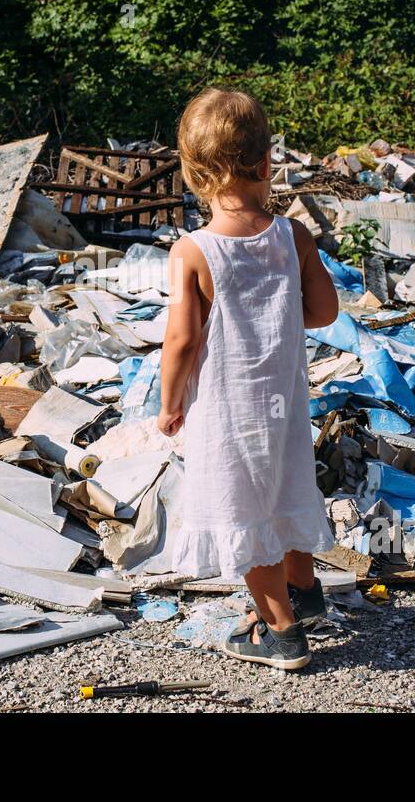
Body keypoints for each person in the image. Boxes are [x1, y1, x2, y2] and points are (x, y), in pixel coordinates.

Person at [158, 87, 340, 671]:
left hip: (227, 409)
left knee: (243, 508)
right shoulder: (294, 237)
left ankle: (281, 631)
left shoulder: (194, 251)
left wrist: (168, 405)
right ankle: (304, 594)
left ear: (192, 172)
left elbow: (182, 340)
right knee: (286, 490)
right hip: (284, 403)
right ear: (266, 164)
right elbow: (324, 313)